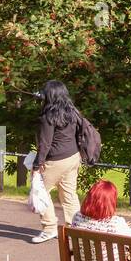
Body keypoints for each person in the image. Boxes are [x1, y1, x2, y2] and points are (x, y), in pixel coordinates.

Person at [31, 80, 85, 244]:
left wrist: (36, 165)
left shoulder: (48, 116)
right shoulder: (72, 111)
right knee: (69, 195)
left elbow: (45, 144)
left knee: (41, 193)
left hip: (55, 161)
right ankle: (74, 230)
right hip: (73, 158)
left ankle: (49, 228)